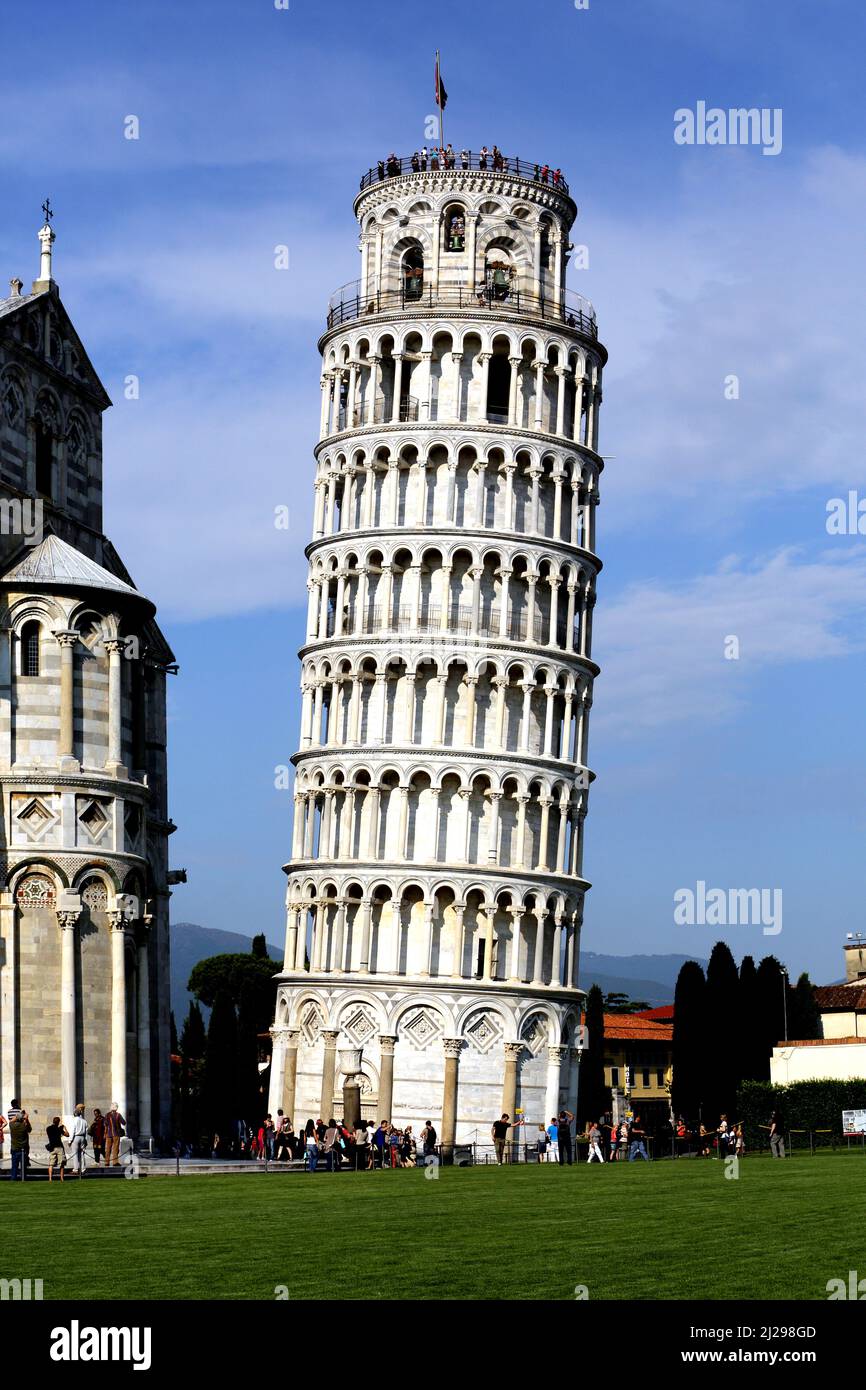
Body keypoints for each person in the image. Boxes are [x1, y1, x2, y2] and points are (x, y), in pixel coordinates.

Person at [9, 1106, 31, 1181]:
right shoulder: (24, 1126)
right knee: (23, 1166)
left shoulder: (12, 1126)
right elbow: (29, 1129)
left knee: (14, 1166)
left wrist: (18, 1115)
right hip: (23, 1149)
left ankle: (13, 1178)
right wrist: (26, 1118)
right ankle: (23, 1178)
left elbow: (11, 1120)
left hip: (14, 1148)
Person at [46, 1116, 68, 1183]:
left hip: (52, 1147)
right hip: (59, 1147)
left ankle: (50, 1179)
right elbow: (67, 1135)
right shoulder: (59, 1129)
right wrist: (65, 1128)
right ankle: (61, 1178)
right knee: (62, 1164)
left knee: (51, 1164)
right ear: (58, 1122)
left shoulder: (48, 1128)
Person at [68, 1103, 88, 1176]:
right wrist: (85, 1140)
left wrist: (70, 1140)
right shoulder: (84, 1121)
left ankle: (76, 1169)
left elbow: (73, 1130)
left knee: (75, 1153)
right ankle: (83, 1169)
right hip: (82, 1137)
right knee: (82, 1154)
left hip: (76, 1137)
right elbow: (86, 1131)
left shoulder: (74, 1120)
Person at [104, 1102, 125, 1166]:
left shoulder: (107, 1115)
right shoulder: (118, 1115)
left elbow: (105, 1124)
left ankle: (106, 1162)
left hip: (109, 1134)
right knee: (115, 1149)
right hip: (116, 1134)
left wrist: (105, 1133)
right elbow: (124, 1122)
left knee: (108, 1149)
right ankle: (115, 1162)